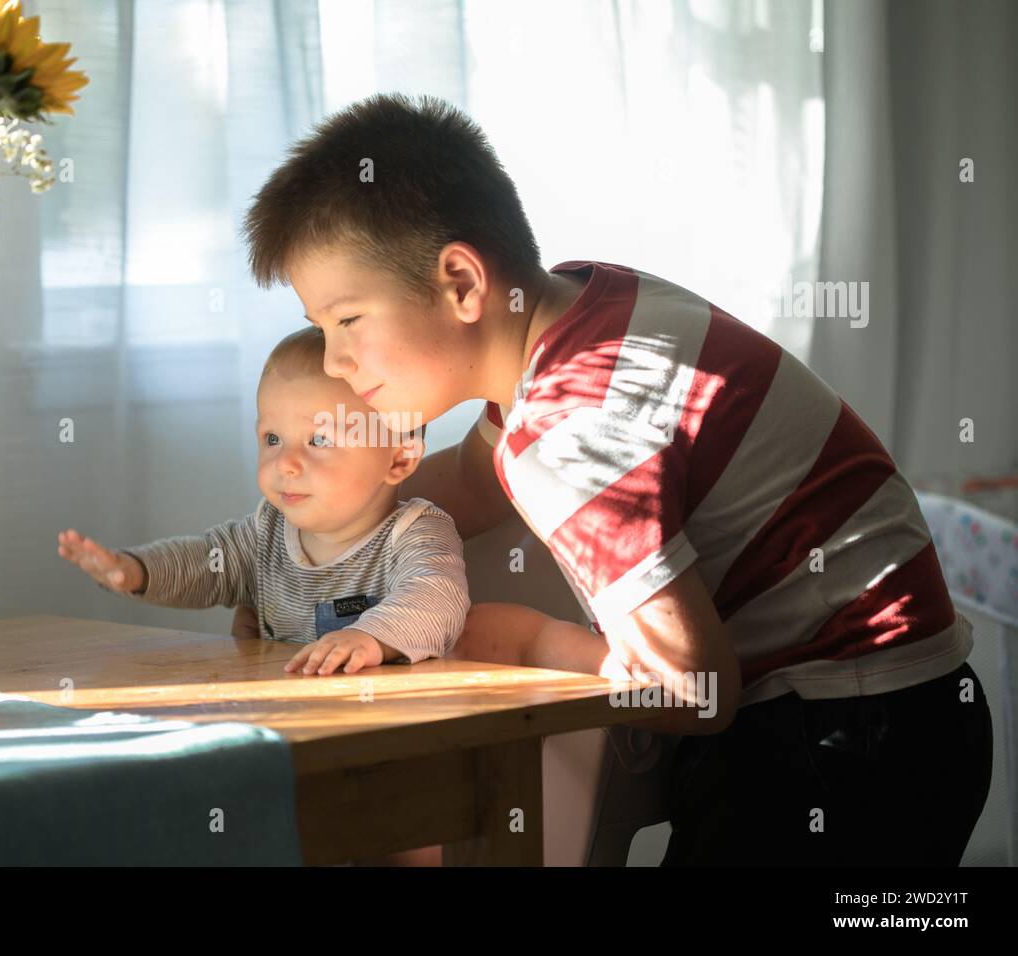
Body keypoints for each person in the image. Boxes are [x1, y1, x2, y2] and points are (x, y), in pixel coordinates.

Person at [234, 92, 993, 865]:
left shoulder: (572, 436)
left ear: (462, 283)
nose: (333, 361)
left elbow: (693, 689)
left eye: (347, 321)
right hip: (898, 706)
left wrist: (527, 642)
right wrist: (315, 549)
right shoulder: (579, 309)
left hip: (848, 733)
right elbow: (472, 477)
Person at [59, 325, 470, 676]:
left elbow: (437, 596)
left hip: (393, 720)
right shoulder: (268, 531)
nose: (286, 463)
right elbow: (204, 563)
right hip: (291, 712)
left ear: (398, 458)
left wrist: (370, 637)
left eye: (319, 439)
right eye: (273, 439)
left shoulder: (414, 532)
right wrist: (135, 570)